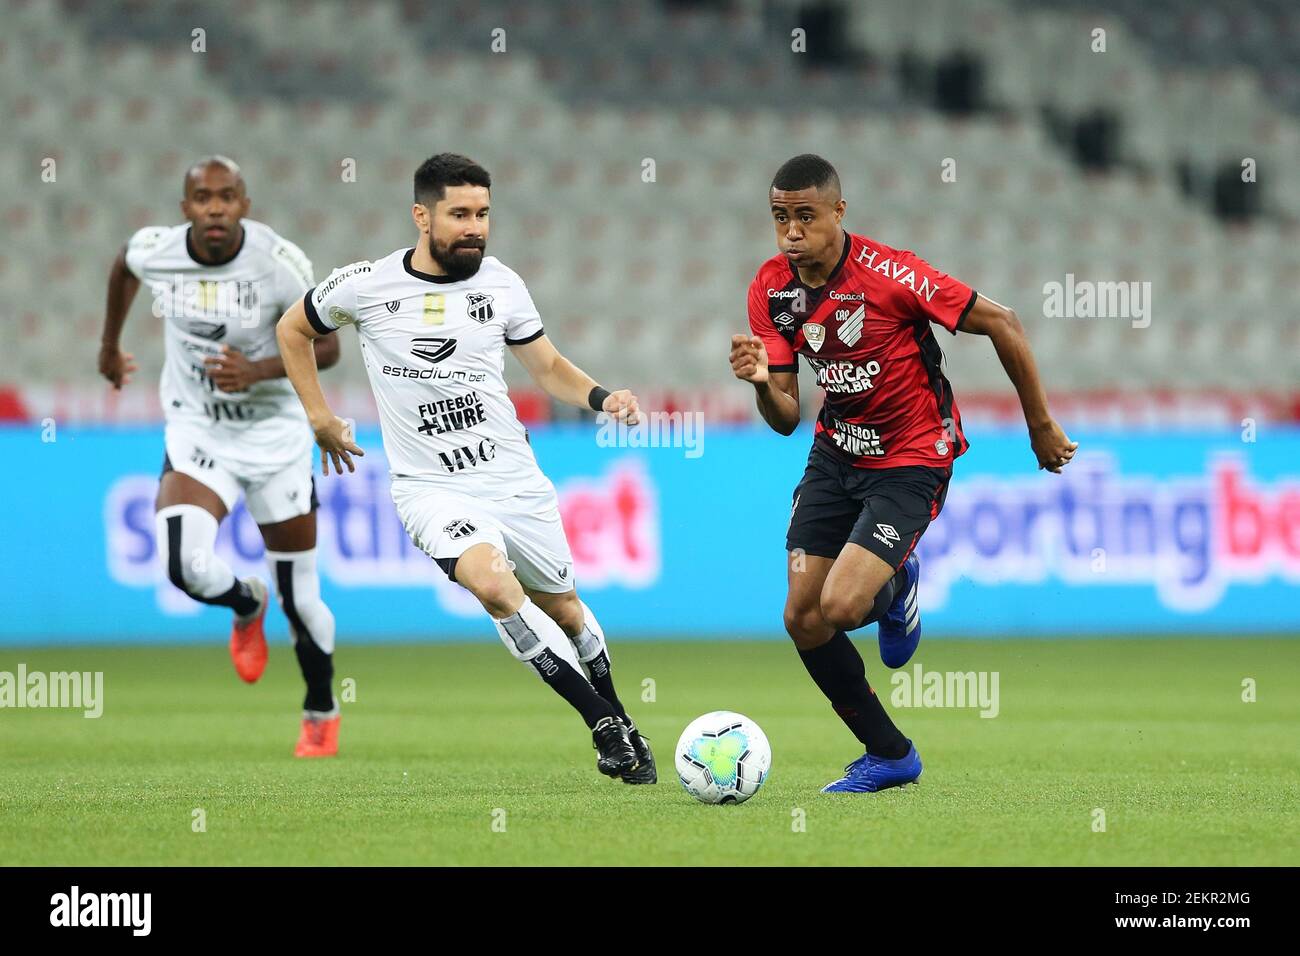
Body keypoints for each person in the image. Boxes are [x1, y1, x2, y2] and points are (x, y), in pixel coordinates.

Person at [275, 153, 655, 782]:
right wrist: (317, 415)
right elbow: (293, 329)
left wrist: (602, 397)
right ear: (421, 216)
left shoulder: (502, 284)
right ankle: (603, 723)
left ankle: (620, 722)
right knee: (495, 587)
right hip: (429, 488)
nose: (474, 226)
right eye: (459, 215)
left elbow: (549, 368)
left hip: (511, 478)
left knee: (565, 612)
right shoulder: (366, 285)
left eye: (482, 213)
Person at [730, 153, 1077, 792]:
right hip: (835, 455)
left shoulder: (892, 274)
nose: (792, 232)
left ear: (840, 212)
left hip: (913, 456)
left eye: (806, 216)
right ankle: (890, 755)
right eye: (781, 218)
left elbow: (1003, 322)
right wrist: (760, 382)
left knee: (841, 603)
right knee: (803, 618)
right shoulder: (772, 288)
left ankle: (897, 583)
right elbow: (784, 416)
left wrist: (1040, 425)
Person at [98, 155, 344, 757]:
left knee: (301, 597)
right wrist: (109, 346)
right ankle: (244, 600)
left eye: (227, 197)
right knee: (185, 568)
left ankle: (321, 709)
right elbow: (123, 268)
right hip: (199, 433)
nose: (215, 208)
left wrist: (257, 370)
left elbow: (330, 347)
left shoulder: (278, 264)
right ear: (185, 208)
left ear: (244, 205)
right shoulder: (157, 249)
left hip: (276, 440)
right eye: (203, 198)